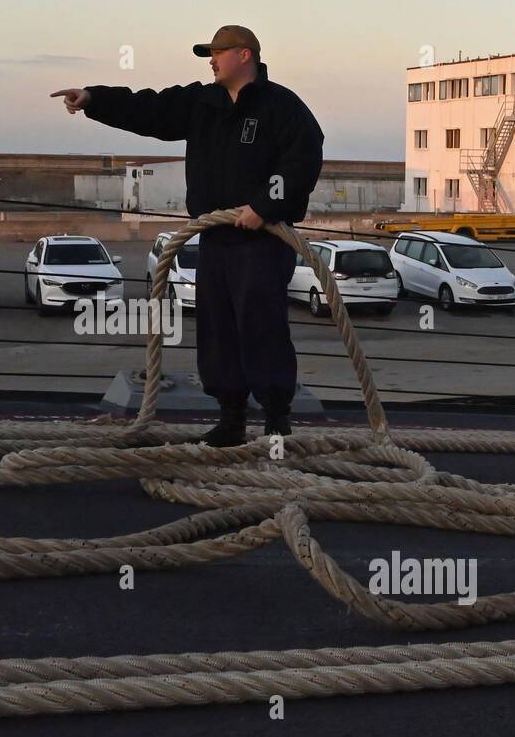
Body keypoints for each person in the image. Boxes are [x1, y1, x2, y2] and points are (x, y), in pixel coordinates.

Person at [52, 25, 324, 445]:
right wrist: (93, 98)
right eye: (209, 55)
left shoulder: (281, 106)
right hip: (215, 238)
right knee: (217, 328)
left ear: (245, 55)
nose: (211, 61)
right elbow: (149, 108)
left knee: (261, 324)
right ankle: (231, 418)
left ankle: (275, 418)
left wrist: (264, 208)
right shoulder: (202, 102)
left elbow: (303, 158)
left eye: (218, 53)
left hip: (263, 240)